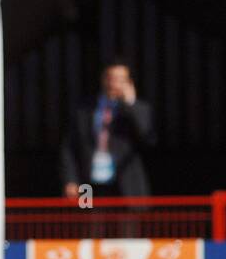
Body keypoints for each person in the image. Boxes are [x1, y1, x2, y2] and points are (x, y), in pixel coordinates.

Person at [60, 59, 156, 199]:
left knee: (129, 220)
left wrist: (131, 105)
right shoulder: (84, 109)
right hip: (89, 183)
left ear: (129, 83)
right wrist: (70, 180)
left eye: (120, 79)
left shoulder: (139, 109)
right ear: (103, 79)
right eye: (111, 78)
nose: (114, 83)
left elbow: (148, 139)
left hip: (127, 185)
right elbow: (69, 146)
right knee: (88, 219)